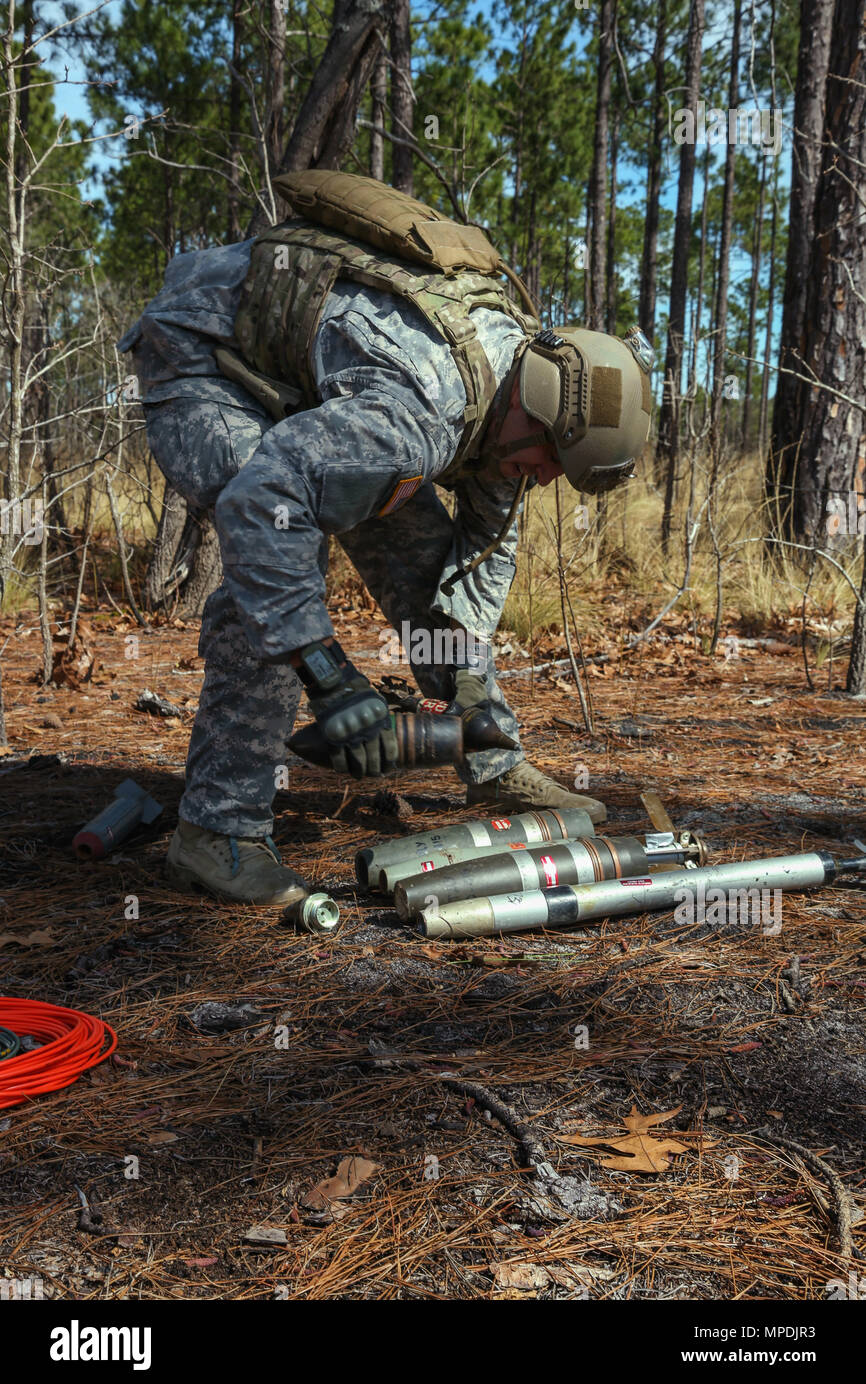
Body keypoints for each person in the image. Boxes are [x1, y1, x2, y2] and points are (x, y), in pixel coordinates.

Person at [117, 173, 653, 906]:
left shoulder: (515, 404)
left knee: (423, 555)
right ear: (535, 417)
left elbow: (480, 553)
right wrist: (333, 681)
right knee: (271, 561)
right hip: (210, 360)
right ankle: (218, 832)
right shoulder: (425, 416)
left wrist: (465, 687)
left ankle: (491, 760)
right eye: (553, 463)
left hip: (326, 392)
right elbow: (263, 503)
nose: (549, 480)